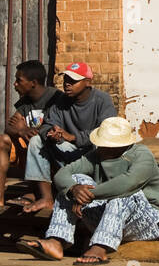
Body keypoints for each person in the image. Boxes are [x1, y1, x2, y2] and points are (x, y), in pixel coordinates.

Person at [16, 117, 159, 264]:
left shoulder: (141, 154)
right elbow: (63, 174)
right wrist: (74, 190)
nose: (102, 148)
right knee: (74, 180)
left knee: (125, 193)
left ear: (122, 145)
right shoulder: (96, 155)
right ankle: (56, 240)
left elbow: (128, 183)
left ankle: (100, 246)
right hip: (106, 218)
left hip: (146, 222)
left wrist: (89, 196)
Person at [21, 62, 115, 214]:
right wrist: (52, 133)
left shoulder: (102, 100)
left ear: (88, 82)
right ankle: (46, 198)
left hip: (92, 154)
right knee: (37, 141)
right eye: (66, 80)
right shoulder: (61, 101)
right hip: (67, 151)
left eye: (73, 81)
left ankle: (96, 195)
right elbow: (47, 124)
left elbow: (105, 132)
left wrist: (73, 137)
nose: (67, 84)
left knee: (100, 145)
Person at [0, 61, 59, 208]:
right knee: (2, 141)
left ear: (33, 83)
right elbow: (9, 127)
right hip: (27, 152)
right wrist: (22, 130)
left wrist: (28, 129)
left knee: (37, 143)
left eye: (19, 80)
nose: (14, 84)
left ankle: (40, 194)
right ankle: (0, 199)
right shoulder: (25, 102)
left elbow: (56, 129)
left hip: (51, 153)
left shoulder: (55, 98)